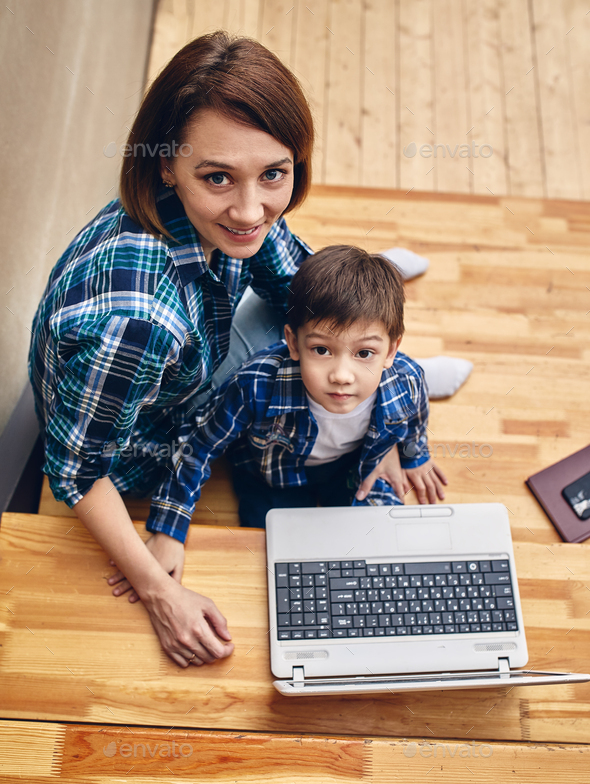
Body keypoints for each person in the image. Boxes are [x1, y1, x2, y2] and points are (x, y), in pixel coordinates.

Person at [28, 32, 465, 670]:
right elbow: (72, 471)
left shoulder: (227, 210)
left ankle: (380, 305)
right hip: (151, 426)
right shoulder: (138, 324)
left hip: (194, 342)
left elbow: (296, 281)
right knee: (306, 355)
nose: (251, 208)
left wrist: (389, 405)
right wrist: (159, 593)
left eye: (274, 175)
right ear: (164, 164)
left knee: (324, 308)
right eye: (217, 177)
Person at [145, 244, 447, 542]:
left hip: (353, 464)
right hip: (271, 476)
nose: (341, 376)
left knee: (379, 538)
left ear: (392, 349)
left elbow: (415, 419)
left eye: (365, 353)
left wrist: (414, 455)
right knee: (280, 548)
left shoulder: (407, 379)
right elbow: (198, 444)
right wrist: (169, 528)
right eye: (321, 349)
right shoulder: (256, 384)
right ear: (293, 342)